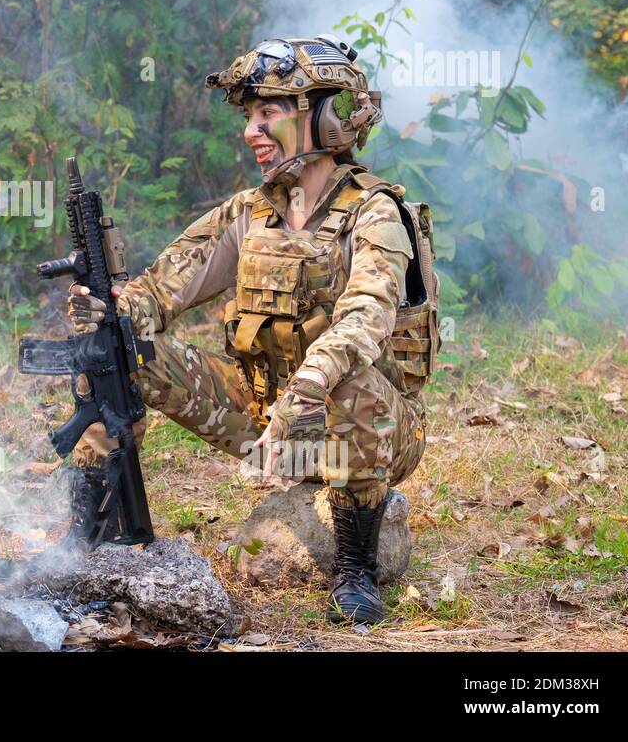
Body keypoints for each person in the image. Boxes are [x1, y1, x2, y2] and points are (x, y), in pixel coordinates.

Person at [67, 35, 438, 624]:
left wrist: (309, 386)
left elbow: (366, 319)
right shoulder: (248, 212)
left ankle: (355, 568)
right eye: (249, 116)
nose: (251, 131)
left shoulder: (375, 212)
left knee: (351, 380)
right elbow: (162, 289)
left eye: (269, 113)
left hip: (370, 429)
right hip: (267, 424)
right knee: (116, 351)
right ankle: (86, 531)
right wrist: (111, 308)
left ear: (321, 117)